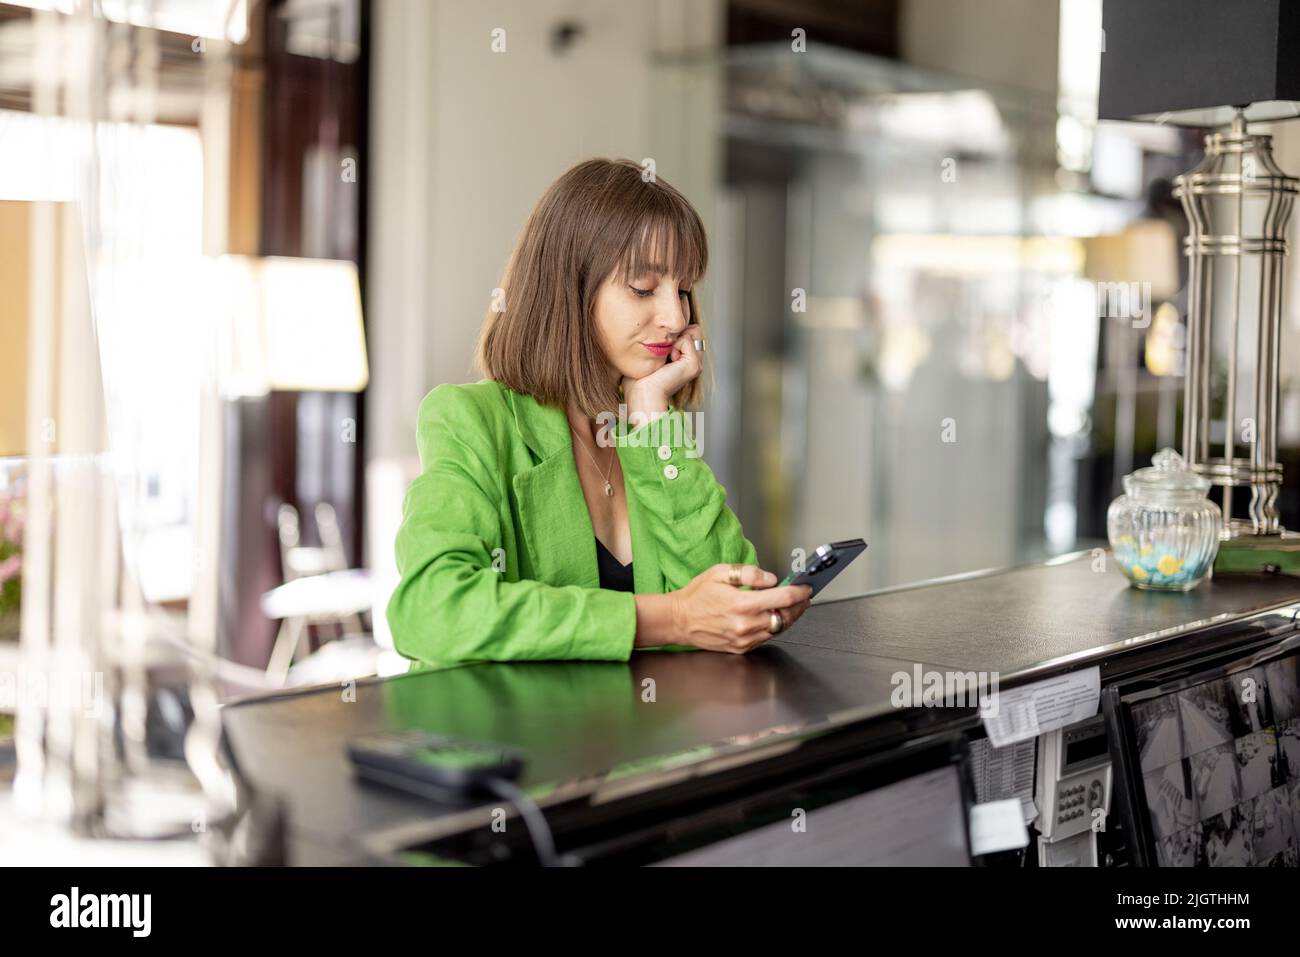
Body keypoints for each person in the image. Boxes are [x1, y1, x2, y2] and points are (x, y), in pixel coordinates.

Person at [388, 158, 811, 665]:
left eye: (682, 290)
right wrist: (671, 618)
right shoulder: (470, 420)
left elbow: (732, 603)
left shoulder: (645, 430)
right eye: (643, 288)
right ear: (569, 289)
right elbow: (431, 611)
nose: (676, 317)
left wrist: (652, 418)